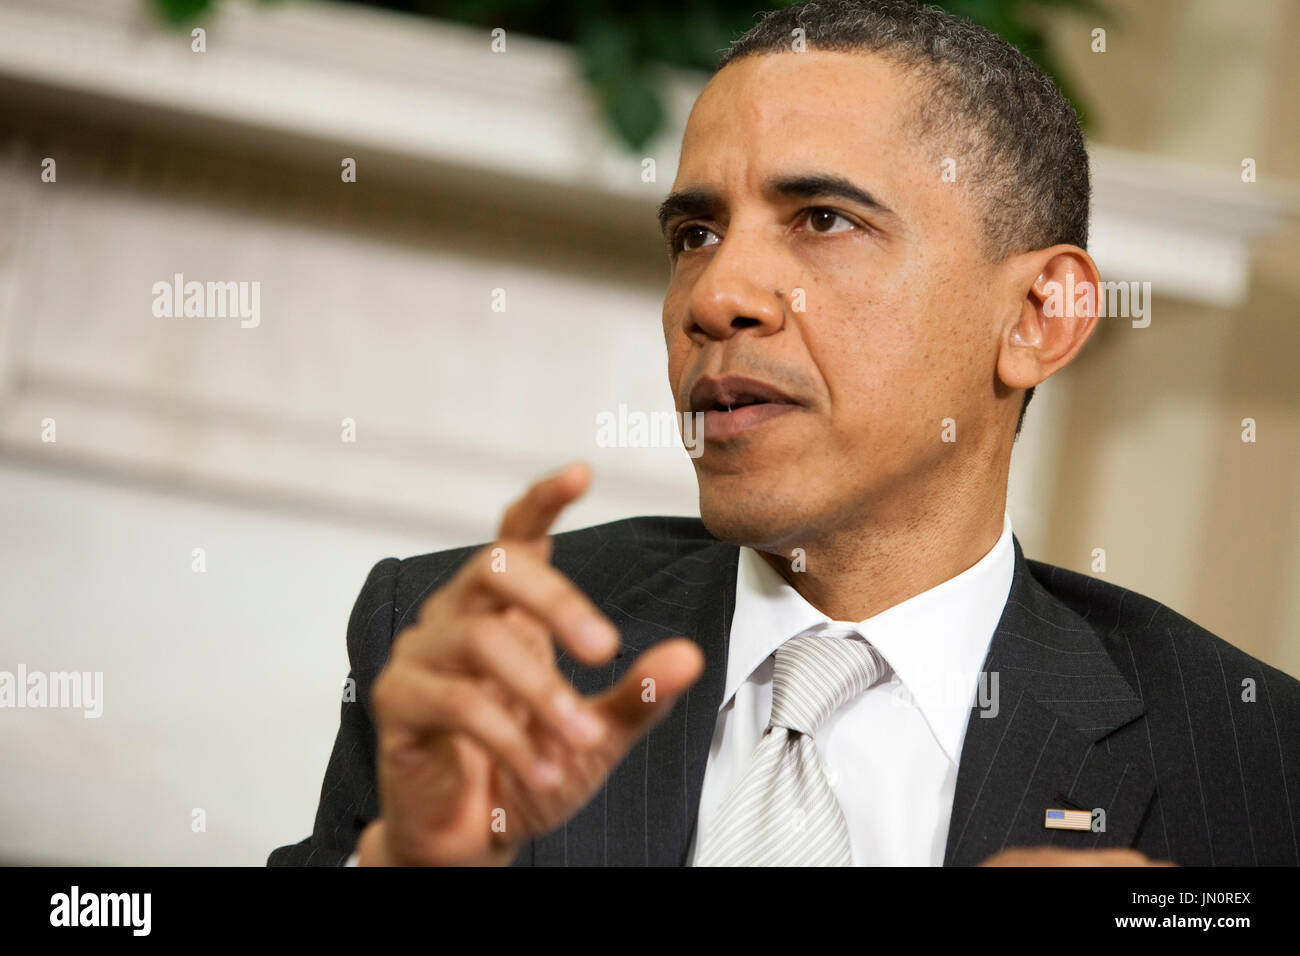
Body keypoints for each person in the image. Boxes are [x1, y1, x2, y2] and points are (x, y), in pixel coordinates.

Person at [269, 0, 1300, 867]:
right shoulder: (471, 651)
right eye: (694, 234)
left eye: (821, 219)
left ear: (1038, 316)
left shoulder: (1253, 754)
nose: (713, 296)